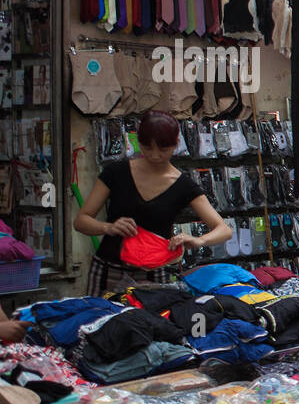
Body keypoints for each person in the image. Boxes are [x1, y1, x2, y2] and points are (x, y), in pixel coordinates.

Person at [75, 110, 232, 297]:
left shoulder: (184, 185)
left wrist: (198, 240)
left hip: (156, 273)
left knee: (154, 325)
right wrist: (108, 227)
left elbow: (224, 230)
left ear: (175, 144)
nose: (155, 155)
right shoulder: (116, 172)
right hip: (109, 270)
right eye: (147, 147)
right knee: (98, 323)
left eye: (163, 149)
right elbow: (81, 221)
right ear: (138, 143)